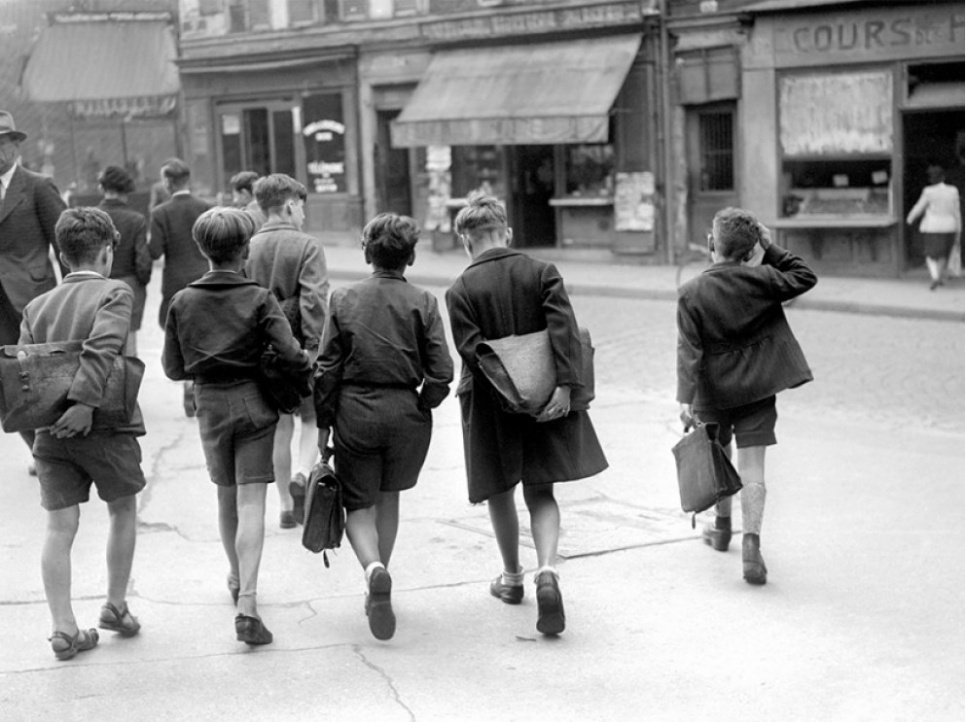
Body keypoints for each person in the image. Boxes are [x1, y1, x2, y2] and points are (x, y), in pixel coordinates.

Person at [445, 194, 607, 637]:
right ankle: (548, 571)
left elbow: (473, 351)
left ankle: (512, 578)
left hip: (493, 405)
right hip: (547, 400)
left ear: (466, 240)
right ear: (508, 233)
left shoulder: (460, 289)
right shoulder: (542, 271)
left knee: (500, 490)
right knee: (541, 490)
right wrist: (562, 387)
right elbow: (564, 331)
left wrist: (510, 393)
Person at [162, 207, 310, 646]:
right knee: (251, 503)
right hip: (254, 402)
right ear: (245, 251)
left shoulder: (182, 301)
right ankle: (248, 599)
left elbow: (173, 368)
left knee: (226, 498)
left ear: (202, 250)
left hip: (210, 404)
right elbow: (291, 354)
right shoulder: (259, 298)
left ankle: (233, 574)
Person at [315, 213, 453, 641]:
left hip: (355, 410)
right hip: (405, 412)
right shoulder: (425, 302)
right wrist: (420, 404)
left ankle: (373, 570)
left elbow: (326, 370)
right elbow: (442, 373)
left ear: (366, 252)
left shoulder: (343, 299)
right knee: (389, 496)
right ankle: (381, 578)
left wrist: (324, 425)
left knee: (358, 503)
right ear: (411, 256)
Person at [20, 207, 146, 660]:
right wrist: (85, 404)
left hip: (50, 431)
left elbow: (25, 371)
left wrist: (45, 419)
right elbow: (103, 348)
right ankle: (115, 605)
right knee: (123, 508)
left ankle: (64, 628)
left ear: (61, 253)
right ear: (109, 250)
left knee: (59, 527)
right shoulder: (115, 291)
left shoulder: (37, 305)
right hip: (105, 423)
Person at [677, 207, 817, 586]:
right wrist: (769, 248)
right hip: (758, 387)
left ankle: (721, 528)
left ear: (711, 244)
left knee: (718, 458)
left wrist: (685, 398)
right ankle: (752, 545)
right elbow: (805, 275)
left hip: (711, 392)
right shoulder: (763, 279)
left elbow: (689, 351)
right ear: (749, 248)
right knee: (753, 465)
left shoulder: (691, 292)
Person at [246, 174, 329, 529]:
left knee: (280, 426)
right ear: (290, 205)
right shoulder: (308, 246)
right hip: (299, 347)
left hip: (262, 350)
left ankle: (282, 505)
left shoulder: (248, 246)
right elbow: (314, 300)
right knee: (310, 420)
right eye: (302, 208)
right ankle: (301, 473)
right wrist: (313, 347)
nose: (304, 217)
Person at [0, 110, 68, 468]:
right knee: (3, 382)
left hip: (33, 298)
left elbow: (66, 243)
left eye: (2, 143)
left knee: (40, 378)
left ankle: (52, 445)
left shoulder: (38, 185)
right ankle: (38, 448)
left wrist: (74, 291)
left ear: (15, 145)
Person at [149, 158, 213, 416]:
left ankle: (186, 382)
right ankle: (199, 383)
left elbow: (154, 252)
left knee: (177, 333)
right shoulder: (206, 208)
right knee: (204, 333)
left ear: (167, 182)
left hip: (175, 283)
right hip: (203, 279)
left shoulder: (160, 212)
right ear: (188, 180)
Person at [97, 166, 152, 356]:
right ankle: (129, 384)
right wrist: (142, 281)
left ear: (102, 188)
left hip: (98, 285)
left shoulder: (91, 216)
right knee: (129, 344)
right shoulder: (136, 219)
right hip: (129, 285)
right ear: (126, 191)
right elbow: (143, 262)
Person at [907, 163, 962, 290]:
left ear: (931, 179)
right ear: (943, 177)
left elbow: (919, 208)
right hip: (950, 226)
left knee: (930, 254)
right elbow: (957, 211)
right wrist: (959, 227)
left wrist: (910, 219)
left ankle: (935, 277)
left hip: (932, 227)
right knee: (943, 254)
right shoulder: (953, 190)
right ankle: (938, 277)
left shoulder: (928, 191)